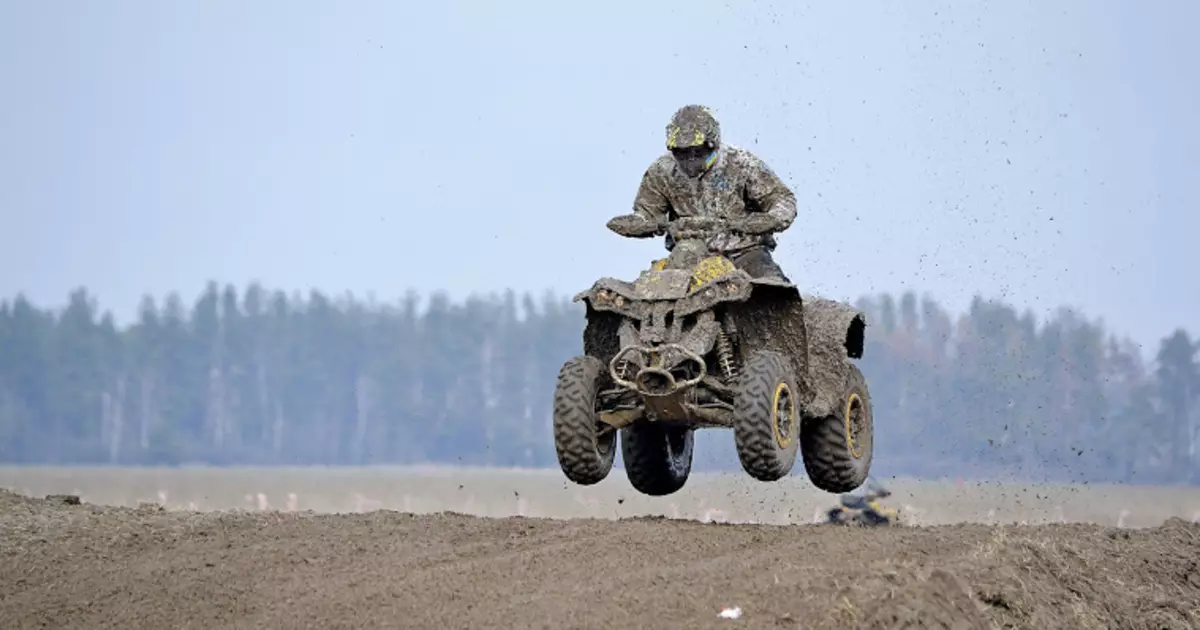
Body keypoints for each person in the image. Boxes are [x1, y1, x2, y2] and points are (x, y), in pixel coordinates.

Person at [605, 104, 797, 282]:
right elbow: (648, 212)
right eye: (681, 153)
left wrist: (770, 219)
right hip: (689, 249)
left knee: (771, 286)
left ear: (713, 144)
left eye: (697, 152)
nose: (690, 160)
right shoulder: (662, 171)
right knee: (660, 287)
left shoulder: (741, 164)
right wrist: (639, 223)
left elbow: (781, 199)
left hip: (745, 250)